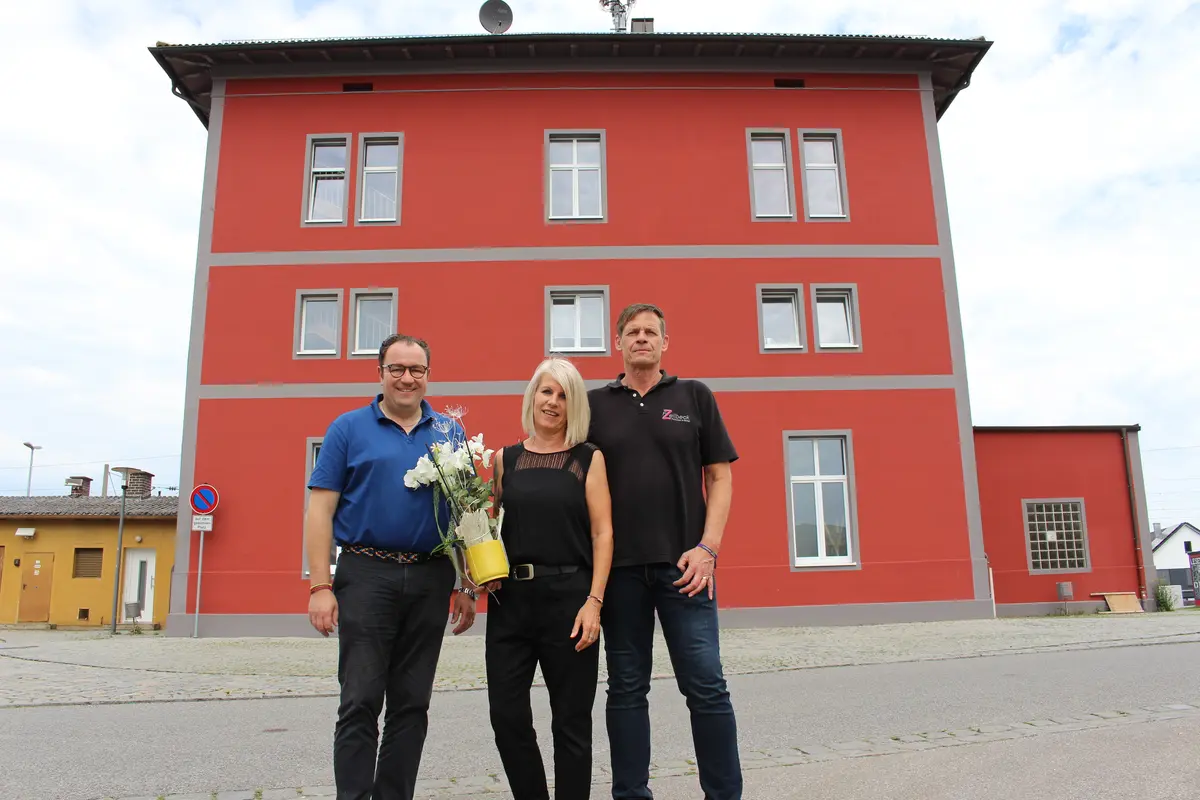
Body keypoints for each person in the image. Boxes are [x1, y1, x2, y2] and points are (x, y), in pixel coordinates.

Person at [305, 333, 479, 800]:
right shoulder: (347, 429)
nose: (407, 378)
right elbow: (320, 511)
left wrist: (467, 582)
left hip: (430, 576)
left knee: (412, 704)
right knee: (360, 700)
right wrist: (320, 584)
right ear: (379, 372)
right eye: (397, 369)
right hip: (365, 574)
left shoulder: (449, 432)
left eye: (416, 370)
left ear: (428, 375)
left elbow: (466, 512)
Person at [586, 303, 742, 800]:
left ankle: (724, 795)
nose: (641, 338)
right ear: (619, 343)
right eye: (632, 332)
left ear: (664, 343)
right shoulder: (593, 405)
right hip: (620, 574)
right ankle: (631, 795)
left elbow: (719, 475)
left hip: (687, 568)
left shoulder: (694, 396)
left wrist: (708, 548)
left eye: (651, 331)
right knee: (627, 689)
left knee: (706, 686)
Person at [482, 357, 614, 800]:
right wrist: (477, 572)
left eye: (562, 395)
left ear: (572, 404)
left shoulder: (587, 459)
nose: (552, 402)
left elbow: (602, 532)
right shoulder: (505, 460)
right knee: (506, 716)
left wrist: (594, 601)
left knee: (572, 722)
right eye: (546, 391)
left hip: (570, 600)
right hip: (510, 603)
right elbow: (486, 529)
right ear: (532, 396)